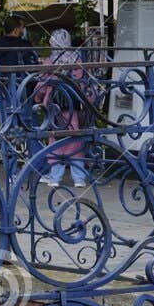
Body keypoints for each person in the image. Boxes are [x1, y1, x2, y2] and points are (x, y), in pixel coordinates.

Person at [34, 29, 101, 188]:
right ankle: (79, 178)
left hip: (55, 107)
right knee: (75, 139)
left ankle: (55, 177)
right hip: (75, 106)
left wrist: (38, 98)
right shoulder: (77, 59)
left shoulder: (50, 61)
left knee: (55, 137)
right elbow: (86, 84)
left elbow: (42, 85)